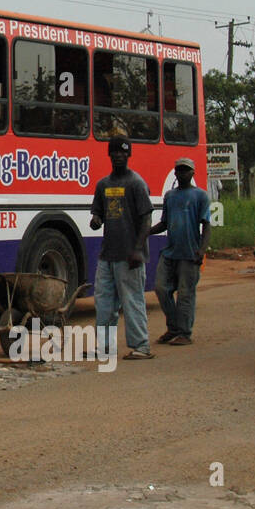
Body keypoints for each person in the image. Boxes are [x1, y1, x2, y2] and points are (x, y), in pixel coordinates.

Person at [90, 136, 154, 359]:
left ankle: (142, 346)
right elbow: (97, 212)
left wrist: (138, 249)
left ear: (129, 155)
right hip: (107, 254)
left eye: (123, 152)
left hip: (129, 255)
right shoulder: (103, 185)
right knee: (104, 302)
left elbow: (147, 219)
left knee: (132, 300)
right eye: (114, 152)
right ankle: (105, 346)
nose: (118, 156)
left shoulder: (136, 183)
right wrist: (96, 220)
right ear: (109, 155)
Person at [149, 158, 210, 345]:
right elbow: (164, 223)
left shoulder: (200, 196)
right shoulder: (170, 196)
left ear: (192, 173)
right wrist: (147, 231)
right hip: (170, 252)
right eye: (179, 170)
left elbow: (206, 225)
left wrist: (202, 250)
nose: (181, 174)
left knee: (185, 293)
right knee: (160, 288)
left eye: (185, 170)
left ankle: (184, 332)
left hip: (190, 252)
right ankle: (173, 327)